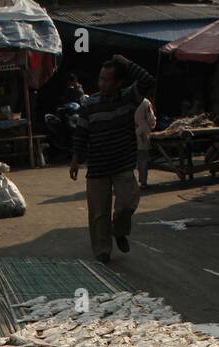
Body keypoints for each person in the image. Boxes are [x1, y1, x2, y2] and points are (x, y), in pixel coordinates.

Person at [69, 55, 154, 263]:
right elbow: (81, 132)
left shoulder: (128, 97)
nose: (103, 83)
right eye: (101, 79)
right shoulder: (89, 104)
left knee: (127, 204)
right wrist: (76, 159)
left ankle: (120, 230)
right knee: (99, 213)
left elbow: (148, 80)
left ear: (118, 83)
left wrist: (126, 62)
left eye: (107, 80)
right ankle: (102, 251)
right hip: (98, 167)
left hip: (122, 164)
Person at [135, 96, 156, 188]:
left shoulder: (126, 99)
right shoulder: (145, 102)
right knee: (142, 158)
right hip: (142, 133)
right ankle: (143, 182)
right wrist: (152, 126)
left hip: (129, 133)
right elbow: (151, 118)